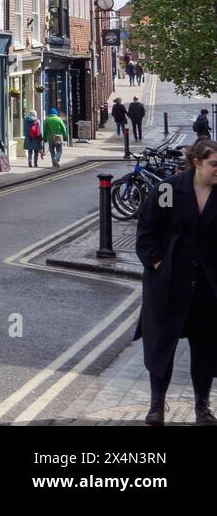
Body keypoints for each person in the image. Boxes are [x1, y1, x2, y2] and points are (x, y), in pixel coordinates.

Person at [134, 137, 217, 425]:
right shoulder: (168, 188)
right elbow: (147, 230)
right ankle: (156, 406)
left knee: (206, 346)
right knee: (160, 344)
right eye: (214, 164)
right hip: (167, 281)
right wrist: (157, 263)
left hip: (208, 283)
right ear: (197, 162)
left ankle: (202, 407)